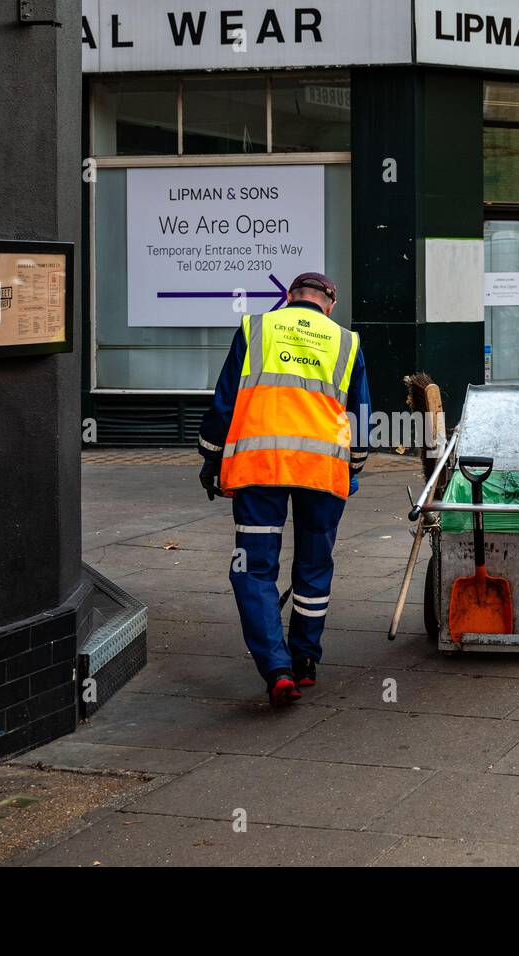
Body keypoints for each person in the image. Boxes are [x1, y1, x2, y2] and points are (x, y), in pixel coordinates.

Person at [197, 273, 370, 707]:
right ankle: (305, 660)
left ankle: (276, 669)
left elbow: (225, 400)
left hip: (261, 466)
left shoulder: (256, 328)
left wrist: (211, 457)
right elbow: (361, 415)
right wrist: (355, 466)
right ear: (330, 303)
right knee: (314, 564)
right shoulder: (346, 341)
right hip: (322, 469)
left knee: (253, 569)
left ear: (289, 297)